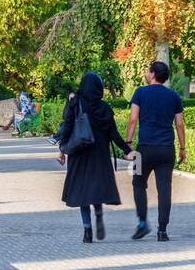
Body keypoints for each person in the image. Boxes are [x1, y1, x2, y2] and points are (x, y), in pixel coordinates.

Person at [56, 71, 133, 244]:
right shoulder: (104, 108)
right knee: (96, 188)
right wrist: (127, 149)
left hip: (79, 153)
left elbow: (67, 127)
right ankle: (98, 213)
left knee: (83, 192)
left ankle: (87, 231)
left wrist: (63, 148)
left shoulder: (75, 104)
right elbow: (113, 134)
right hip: (100, 154)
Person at [125, 60, 187, 242]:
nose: (146, 73)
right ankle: (162, 231)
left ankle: (142, 223)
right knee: (164, 188)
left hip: (143, 150)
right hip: (167, 150)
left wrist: (128, 143)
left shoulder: (140, 93)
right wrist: (182, 148)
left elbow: (132, 119)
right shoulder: (174, 96)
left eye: (147, 71)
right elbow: (180, 124)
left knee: (138, 183)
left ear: (152, 74)